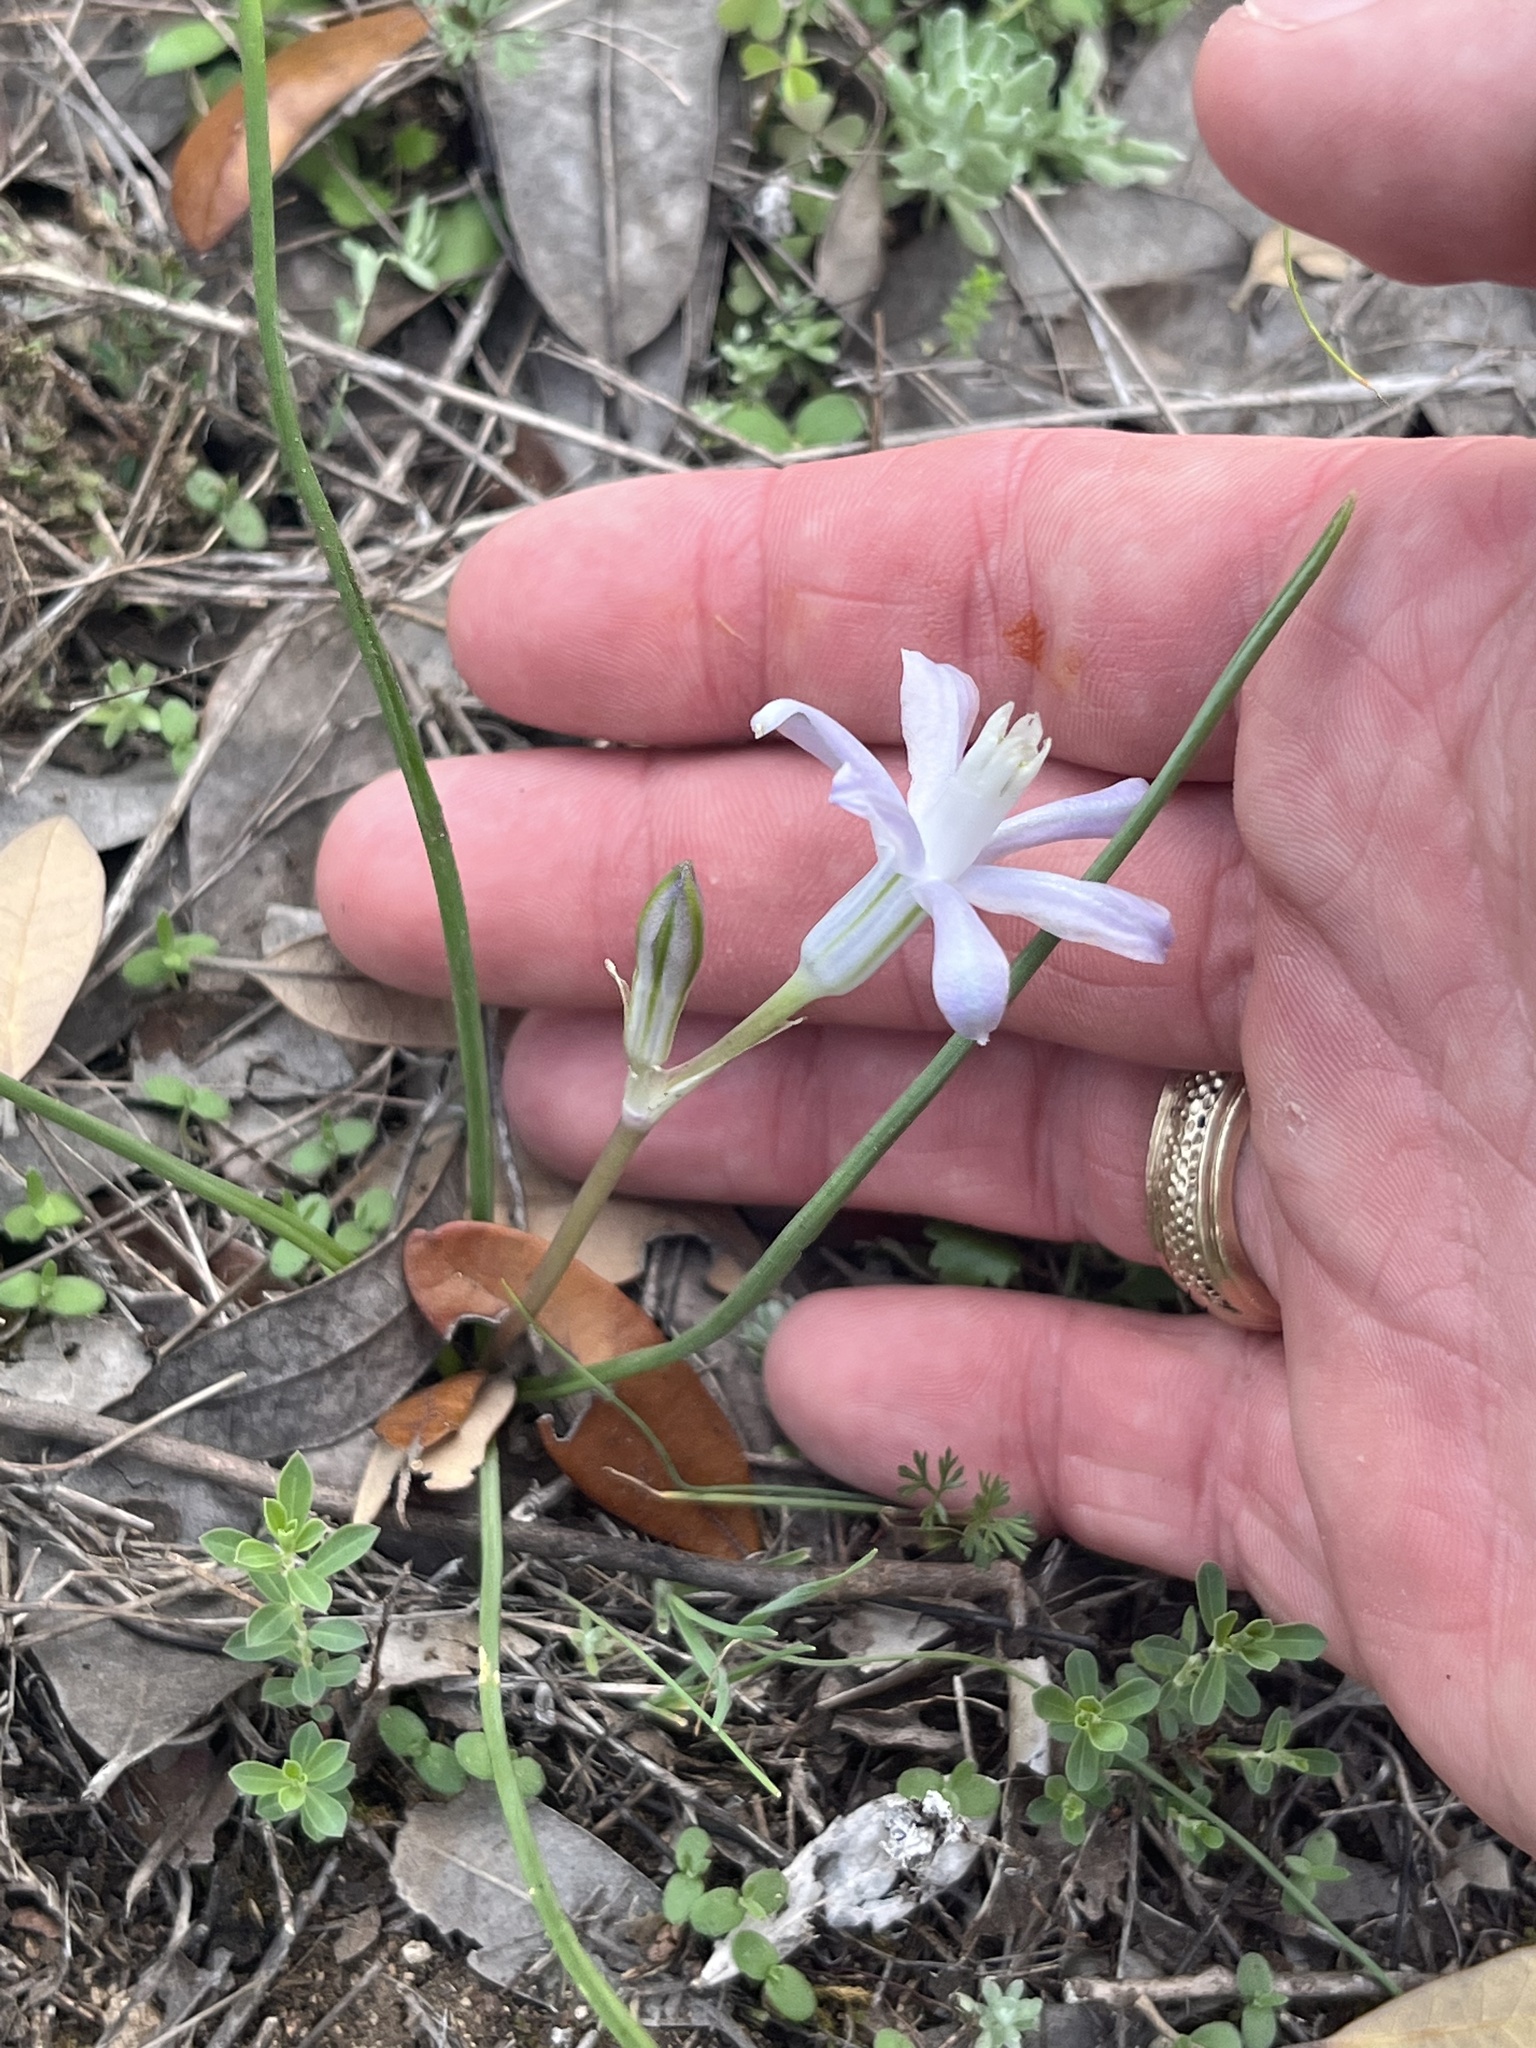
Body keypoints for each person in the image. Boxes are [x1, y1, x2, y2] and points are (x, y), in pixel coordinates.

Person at [316, 0, 1536, 1855]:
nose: (998, 752)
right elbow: (873, 772)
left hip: (953, 892)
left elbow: (1007, 911)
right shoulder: (910, 795)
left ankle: (541, 1380)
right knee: (601, 1050)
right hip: (920, 881)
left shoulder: (1012, 890)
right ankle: (492, 1381)